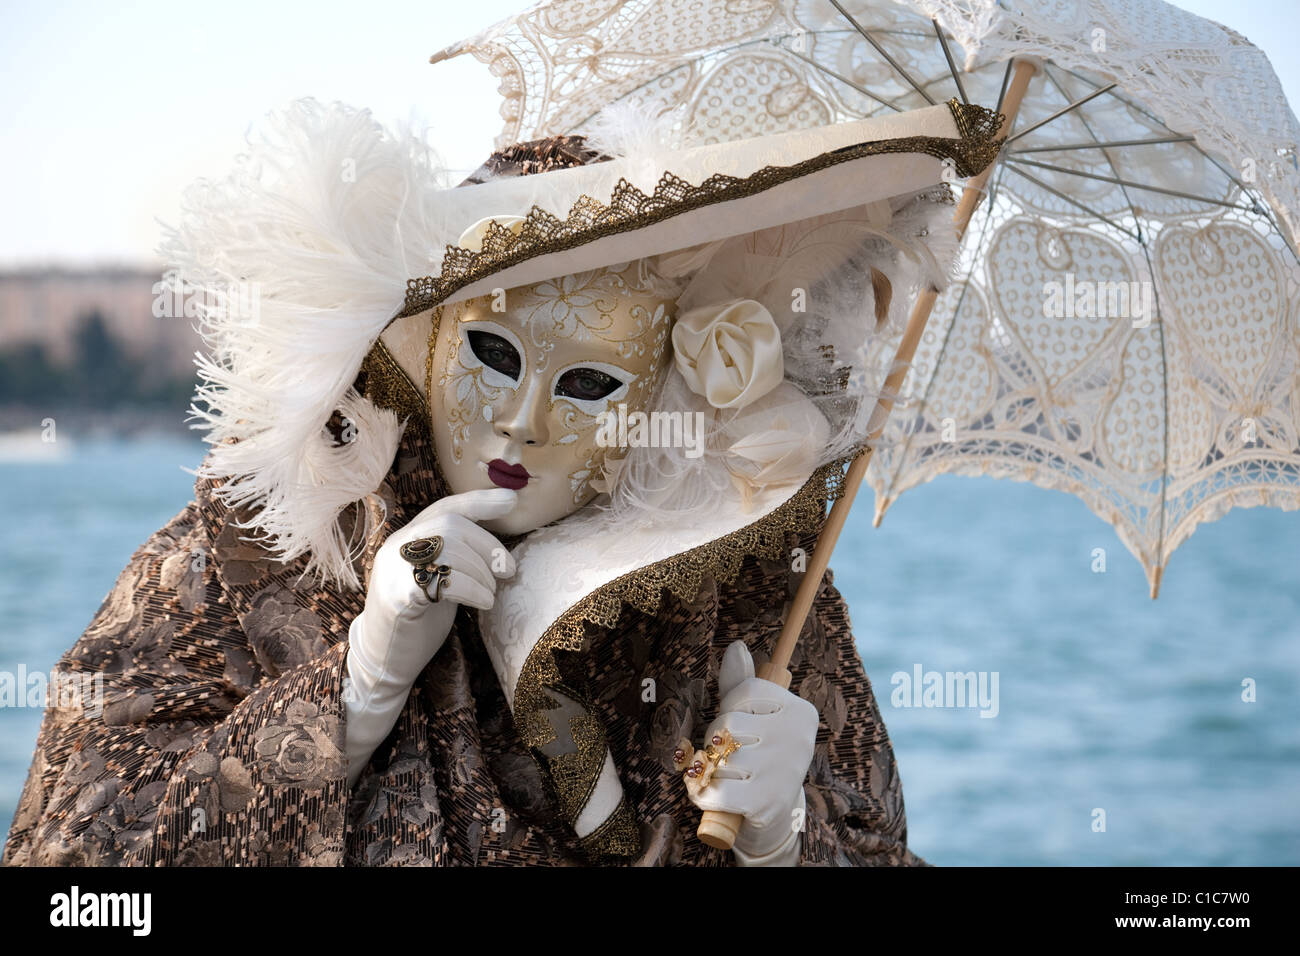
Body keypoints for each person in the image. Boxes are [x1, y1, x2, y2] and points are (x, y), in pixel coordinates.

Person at [2, 95, 999, 866]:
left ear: (668, 386)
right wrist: (353, 689)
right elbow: (83, 870)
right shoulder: (261, 551)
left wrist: (782, 841)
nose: (525, 420)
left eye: (590, 382)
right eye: (492, 354)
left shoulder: (753, 597)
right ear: (423, 342)